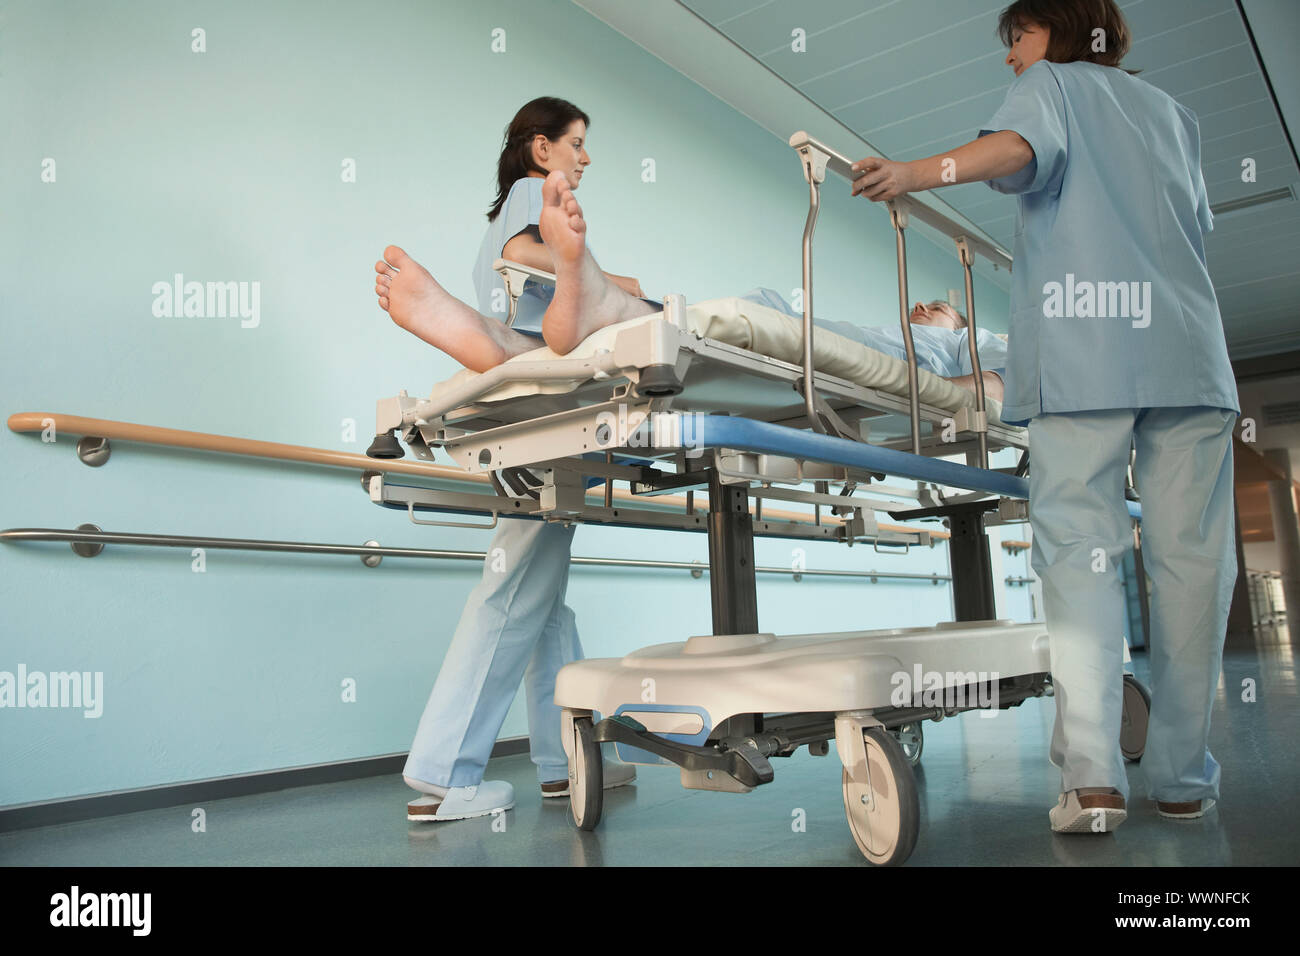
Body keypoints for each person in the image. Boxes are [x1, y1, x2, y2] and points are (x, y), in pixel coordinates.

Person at [848, 0, 1239, 833]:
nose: (1010, 59)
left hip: (1087, 356)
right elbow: (1196, 230)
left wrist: (914, 173)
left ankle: (1096, 779)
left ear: (1057, 32)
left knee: (1082, 559)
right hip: (1189, 357)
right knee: (1194, 568)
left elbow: (1016, 152)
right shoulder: (1175, 115)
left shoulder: (1056, 84)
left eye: (1016, 39)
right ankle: (1181, 780)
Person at [377, 97, 637, 822]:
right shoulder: (538, 197)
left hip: (526, 416)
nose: (584, 159)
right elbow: (525, 256)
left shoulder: (512, 209)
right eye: (576, 143)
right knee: (514, 593)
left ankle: (566, 760)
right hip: (552, 412)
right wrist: (621, 287)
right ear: (539, 146)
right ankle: (446, 773)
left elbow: (517, 259)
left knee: (542, 602)